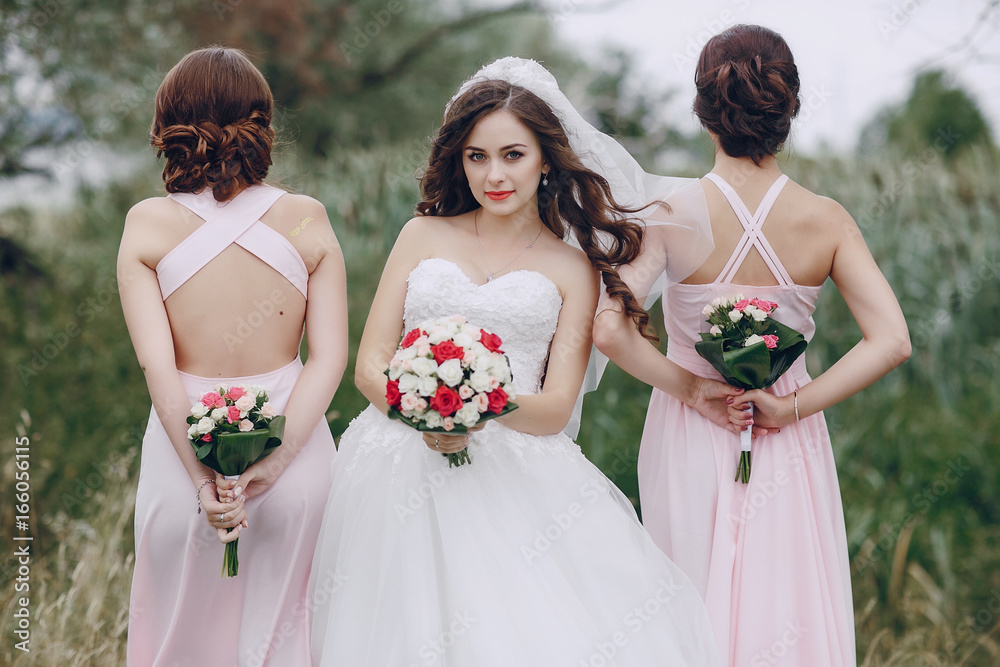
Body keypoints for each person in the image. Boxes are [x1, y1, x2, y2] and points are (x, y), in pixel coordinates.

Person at [308, 57, 729, 666]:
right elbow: (371, 364)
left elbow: (558, 406)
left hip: (521, 478)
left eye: (513, 155)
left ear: (545, 161)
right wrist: (426, 412)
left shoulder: (572, 268)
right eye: (477, 157)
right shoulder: (420, 235)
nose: (494, 174)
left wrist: (474, 404)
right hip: (394, 468)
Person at [593, 24, 911, 665]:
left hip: (689, 424)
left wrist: (694, 391)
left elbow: (606, 327)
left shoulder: (671, 212)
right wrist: (792, 406)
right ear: (788, 107)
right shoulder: (826, 219)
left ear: (704, 113)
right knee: (784, 596)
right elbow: (893, 340)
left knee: (687, 591)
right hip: (784, 430)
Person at [118, 47, 348, 666]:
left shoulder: (146, 225)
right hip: (296, 454)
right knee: (293, 634)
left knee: (179, 638)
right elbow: (329, 359)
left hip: (179, 452)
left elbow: (156, 369)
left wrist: (200, 479)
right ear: (263, 123)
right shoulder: (307, 220)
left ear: (168, 126)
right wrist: (277, 462)